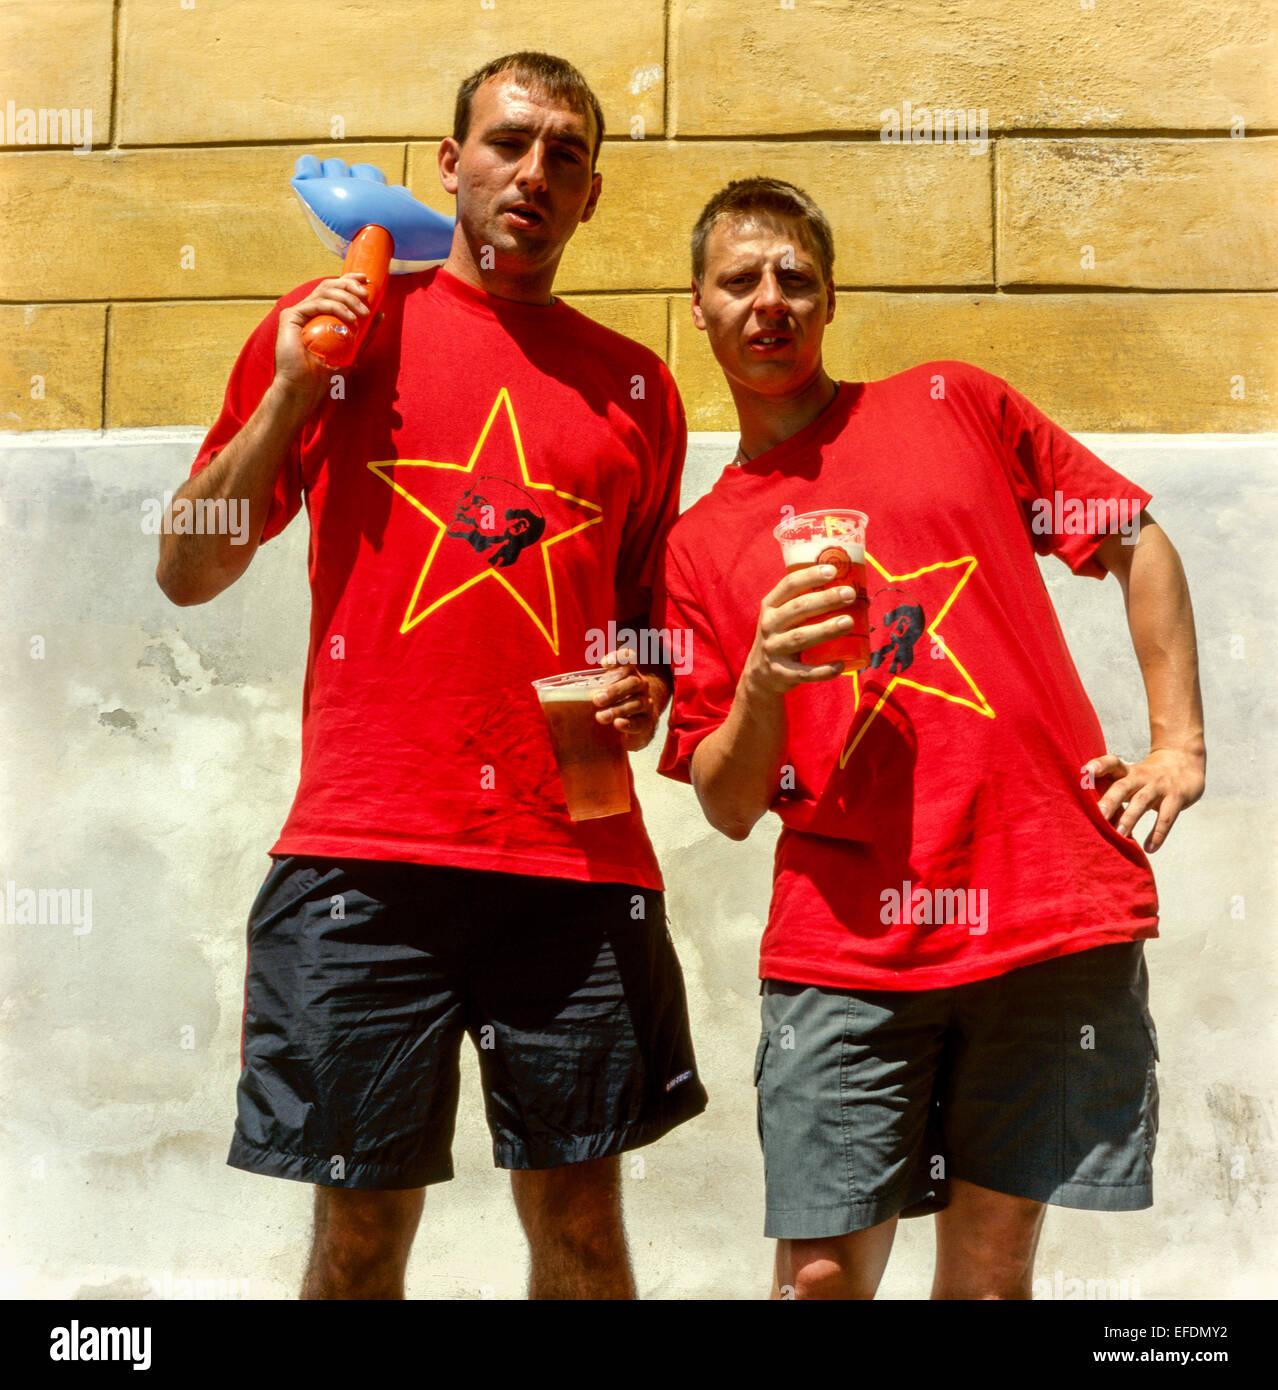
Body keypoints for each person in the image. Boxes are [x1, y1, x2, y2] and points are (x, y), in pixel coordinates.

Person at [156, 51, 706, 1301]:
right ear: (447, 167)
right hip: (364, 856)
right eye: (508, 143)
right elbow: (189, 571)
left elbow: (648, 626)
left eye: (565, 154)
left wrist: (649, 681)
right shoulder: (340, 327)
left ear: (592, 195)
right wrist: (296, 388)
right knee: (359, 1241)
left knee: (583, 1232)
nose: (534, 171)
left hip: (573, 866)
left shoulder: (637, 385)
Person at [654, 177, 1205, 1300]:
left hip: (1044, 908)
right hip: (844, 950)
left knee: (993, 1276)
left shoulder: (952, 402)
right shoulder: (699, 543)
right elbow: (722, 797)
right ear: (698, 308)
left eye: (796, 279)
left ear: (831, 299)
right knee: (817, 1277)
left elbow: (1133, 541)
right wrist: (763, 673)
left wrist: (1178, 745)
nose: (771, 301)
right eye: (740, 280)